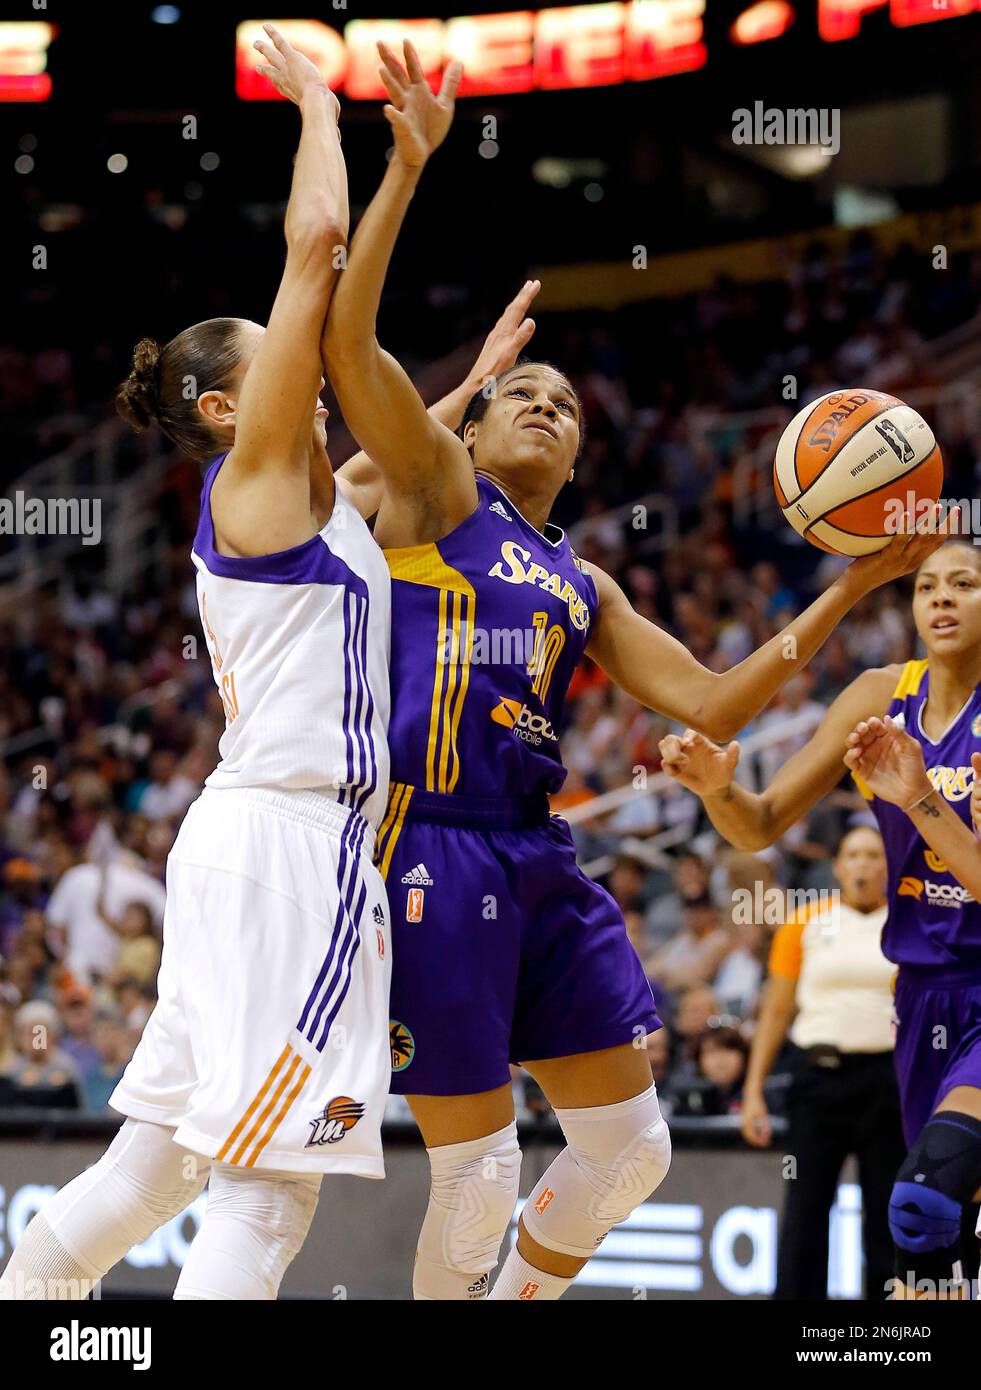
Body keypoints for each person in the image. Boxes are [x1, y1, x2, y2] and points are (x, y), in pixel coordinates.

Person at [321, 39, 949, 1301]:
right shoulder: (437, 494)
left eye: (568, 403)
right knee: (481, 1170)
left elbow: (717, 701)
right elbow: (346, 347)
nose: (548, 407)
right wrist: (403, 171)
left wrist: (853, 587)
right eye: (524, 395)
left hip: (535, 849)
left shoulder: (583, 581)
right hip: (425, 842)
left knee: (633, 1145)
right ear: (479, 422)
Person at [2, 26, 388, 1302]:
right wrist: (322, 110)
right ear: (226, 405)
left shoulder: (314, 497)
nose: (305, 375)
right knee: (263, 1196)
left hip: (244, 845)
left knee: (157, 1168)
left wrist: (475, 389)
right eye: (272, 363)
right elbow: (316, 253)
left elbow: (405, 460)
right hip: (289, 847)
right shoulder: (258, 475)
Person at [660, 538, 981, 1299]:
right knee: (932, 1249)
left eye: (963, 584)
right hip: (921, 996)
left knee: (923, 1200)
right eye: (925, 585)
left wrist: (919, 799)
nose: (939, 597)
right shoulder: (876, 696)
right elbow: (760, 823)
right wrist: (715, 790)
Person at [742, 827, 904, 1300]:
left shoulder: (908, 924)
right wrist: (754, 1089)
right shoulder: (805, 922)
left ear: (888, 866)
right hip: (816, 1080)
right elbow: (776, 1009)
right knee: (805, 1211)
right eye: (852, 855)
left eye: (874, 855)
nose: (863, 865)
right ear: (838, 867)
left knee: (887, 1216)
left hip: (887, 1082)